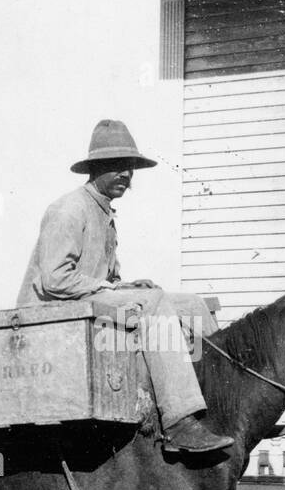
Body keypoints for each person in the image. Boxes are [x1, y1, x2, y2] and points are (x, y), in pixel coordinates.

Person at [16, 119, 234, 453]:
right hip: (50, 318)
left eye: (130, 168)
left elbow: (102, 279)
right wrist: (113, 290)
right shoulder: (69, 210)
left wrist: (124, 285)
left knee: (192, 305)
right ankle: (178, 422)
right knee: (155, 302)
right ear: (95, 169)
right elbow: (54, 279)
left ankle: (220, 405)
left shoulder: (104, 213)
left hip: (81, 307)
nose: (126, 175)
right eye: (116, 167)